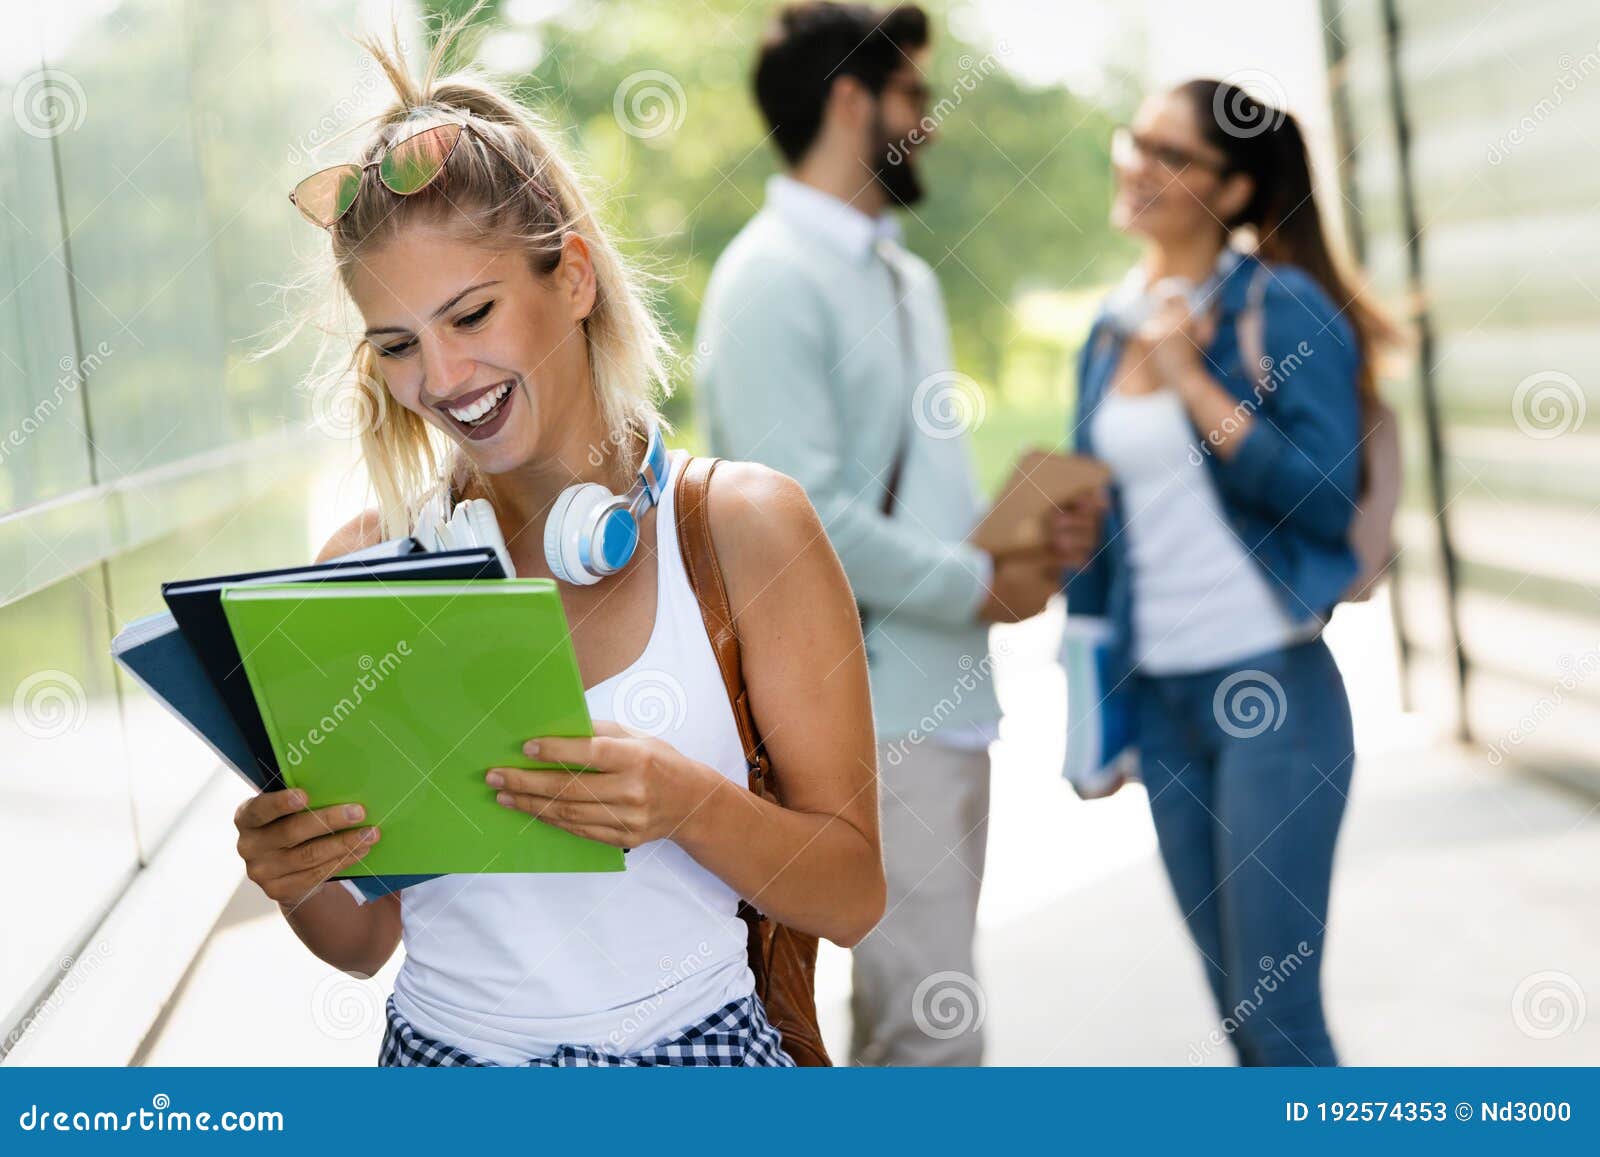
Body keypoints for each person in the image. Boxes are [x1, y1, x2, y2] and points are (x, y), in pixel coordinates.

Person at [232, 17, 884, 1068]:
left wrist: (689, 804)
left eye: (472, 314)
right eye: (397, 343)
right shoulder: (362, 567)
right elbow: (362, 941)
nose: (442, 378)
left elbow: (852, 894)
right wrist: (293, 868)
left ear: (572, 277)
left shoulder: (744, 528)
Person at [696, 2, 1083, 1066]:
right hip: (866, 715)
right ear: (852, 100)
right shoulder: (770, 277)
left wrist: (1020, 543)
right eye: (915, 95)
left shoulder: (898, 272)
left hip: (941, 706)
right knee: (930, 1030)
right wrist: (972, 582)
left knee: (913, 1018)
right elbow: (799, 514)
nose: (933, 120)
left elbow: (898, 491)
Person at [1063, 79, 1397, 1066]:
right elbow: (1103, 536)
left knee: (1278, 1014)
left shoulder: (1277, 306)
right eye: (1139, 141)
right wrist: (1094, 709)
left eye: (1174, 155)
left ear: (1236, 187)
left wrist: (1191, 381)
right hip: (1161, 698)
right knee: (1236, 1019)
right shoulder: (1104, 327)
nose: (1140, 165)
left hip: (1272, 689)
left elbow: (1320, 497)